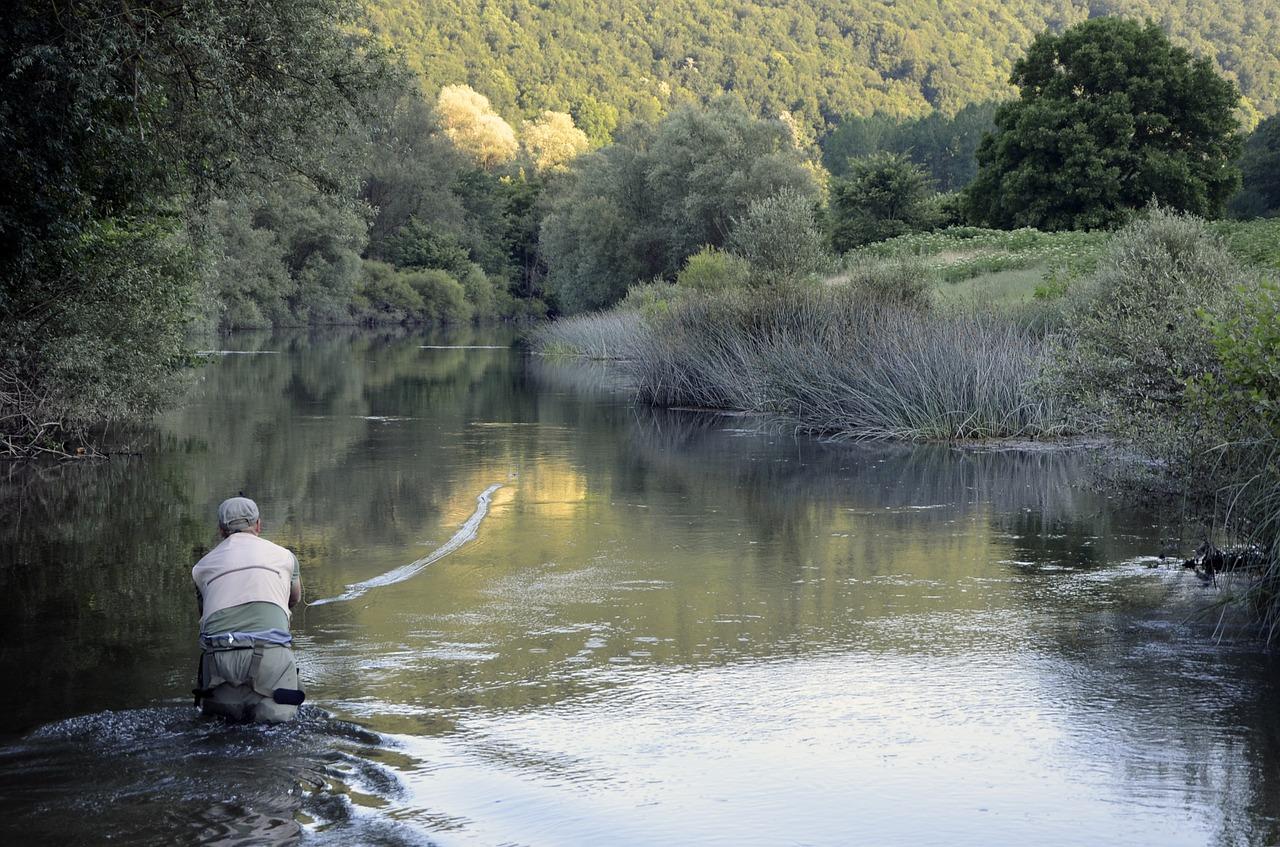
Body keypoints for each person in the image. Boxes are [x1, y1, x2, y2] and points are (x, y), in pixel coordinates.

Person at [191, 496, 305, 722]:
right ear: (258, 525)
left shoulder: (201, 567)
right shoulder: (285, 557)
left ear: (221, 530)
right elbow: (294, 599)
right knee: (278, 732)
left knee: (223, 730)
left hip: (219, 661)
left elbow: (204, 616)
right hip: (270, 657)